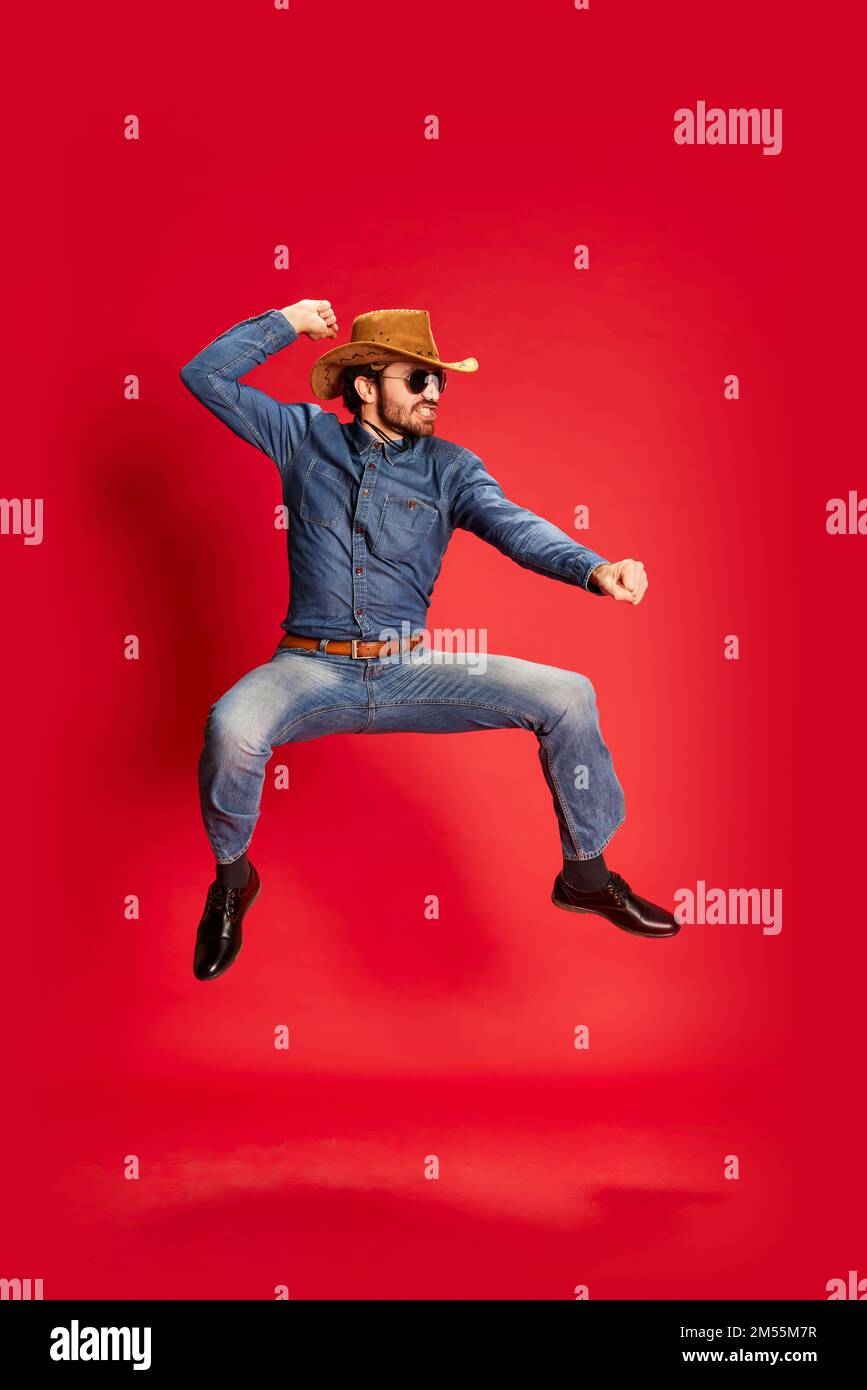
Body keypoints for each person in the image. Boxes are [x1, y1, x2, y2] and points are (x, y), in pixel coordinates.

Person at [179, 298, 679, 981]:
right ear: (365, 385)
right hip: (308, 669)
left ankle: (585, 877)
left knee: (568, 694)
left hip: (410, 668)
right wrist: (287, 323)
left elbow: (515, 526)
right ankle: (234, 882)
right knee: (231, 728)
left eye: (438, 380)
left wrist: (592, 567)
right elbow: (204, 376)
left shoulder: (450, 468)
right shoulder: (302, 438)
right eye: (417, 379)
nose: (434, 391)